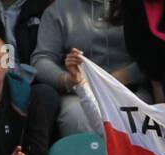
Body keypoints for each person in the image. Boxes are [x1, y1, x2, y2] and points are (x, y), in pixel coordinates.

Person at [31, 0, 144, 135]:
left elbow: (156, 55)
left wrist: (120, 77)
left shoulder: (139, 5)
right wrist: (67, 80)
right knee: (74, 116)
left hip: (130, 89)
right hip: (79, 93)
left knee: (141, 113)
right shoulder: (59, 10)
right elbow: (42, 59)